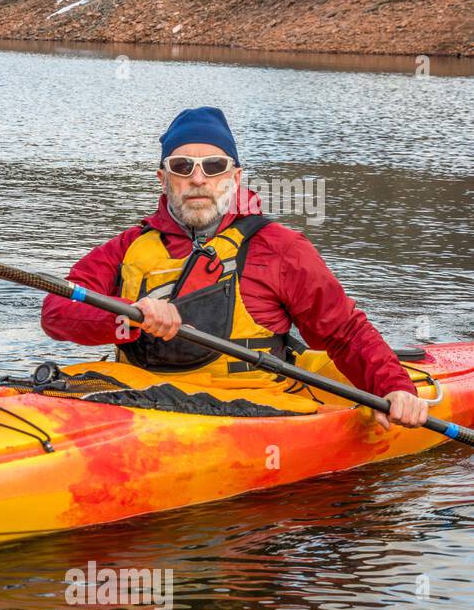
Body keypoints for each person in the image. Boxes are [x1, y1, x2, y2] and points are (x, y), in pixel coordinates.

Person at [41, 106, 427, 429]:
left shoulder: (281, 248)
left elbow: (343, 332)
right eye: (182, 166)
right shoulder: (128, 246)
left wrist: (394, 387)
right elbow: (56, 313)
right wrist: (128, 316)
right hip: (136, 394)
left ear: (235, 177)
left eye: (213, 166)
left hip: (245, 407)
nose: (197, 179)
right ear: (163, 179)